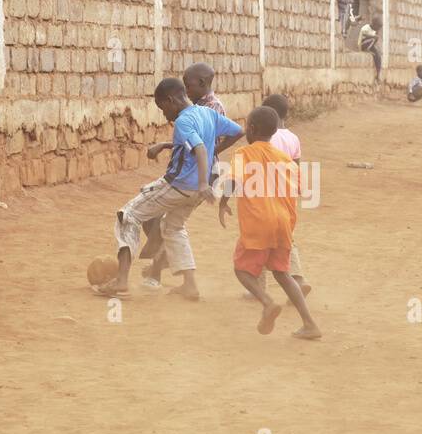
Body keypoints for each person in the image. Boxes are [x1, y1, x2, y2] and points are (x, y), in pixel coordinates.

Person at [96, 77, 245, 300]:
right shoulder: (208, 113)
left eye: (162, 108)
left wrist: (203, 180)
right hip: (197, 191)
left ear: (171, 99)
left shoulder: (183, 121)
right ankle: (190, 285)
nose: (164, 114)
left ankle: (122, 281)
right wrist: (212, 159)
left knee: (128, 216)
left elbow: (201, 150)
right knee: (173, 227)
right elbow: (238, 131)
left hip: (180, 185)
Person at [219, 106, 322, 340]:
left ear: (252, 129)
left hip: (258, 222)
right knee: (282, 273)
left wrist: (222, 203)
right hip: (283, 222)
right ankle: (309, 323)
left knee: (241, 269)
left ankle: (266, 301)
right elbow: (297, 190)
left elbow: (232, 180)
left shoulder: (244, 154)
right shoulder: (285, 159)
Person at [141, 63, 229, 288]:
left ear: (201, 83)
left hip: (199, 175)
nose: (185, 90)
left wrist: (212, 154)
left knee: (166, 223)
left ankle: (157, 272)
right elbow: (192, 143)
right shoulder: (197, 105)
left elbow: (202, 144)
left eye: (187, 85)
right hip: (189, 173)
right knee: (166, 223)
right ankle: (165, 270)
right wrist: (166, 145)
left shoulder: (212, 107)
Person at [244, 94, 312, 298]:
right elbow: (296, 167)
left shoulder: (265, 138)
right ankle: (298, 279)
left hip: (264, 197)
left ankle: (257, 287)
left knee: (258, 239)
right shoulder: (293, 138)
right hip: (285, 198)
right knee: (286, 239)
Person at [358, 15, 383, 82]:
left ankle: (378, 75)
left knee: (378, 56)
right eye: (377, 27)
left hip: (370, 45)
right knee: (374, 38)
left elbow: (373, 41)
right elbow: (364, 36)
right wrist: (374, 36)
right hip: (362, 45)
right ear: (374, 25)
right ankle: (367, 50)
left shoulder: (375, 31)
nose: (378, 29)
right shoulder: (366, 27)